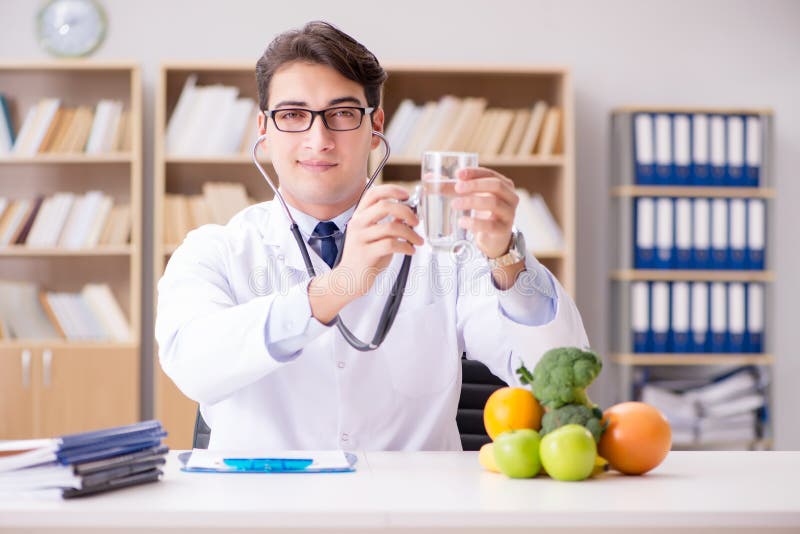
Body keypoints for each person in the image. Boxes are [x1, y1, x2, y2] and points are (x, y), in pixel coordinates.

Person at [155, 21, 589, 451]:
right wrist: (338, 286)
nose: (318, 139)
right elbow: (194, 369)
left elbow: (556, 372)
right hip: (267, 511)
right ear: (264, 131)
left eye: (342, 114)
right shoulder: (213, 250)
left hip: (411, 513)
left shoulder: (449, 247)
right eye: (292, 115)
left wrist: (506, 257)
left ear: (376, 124)